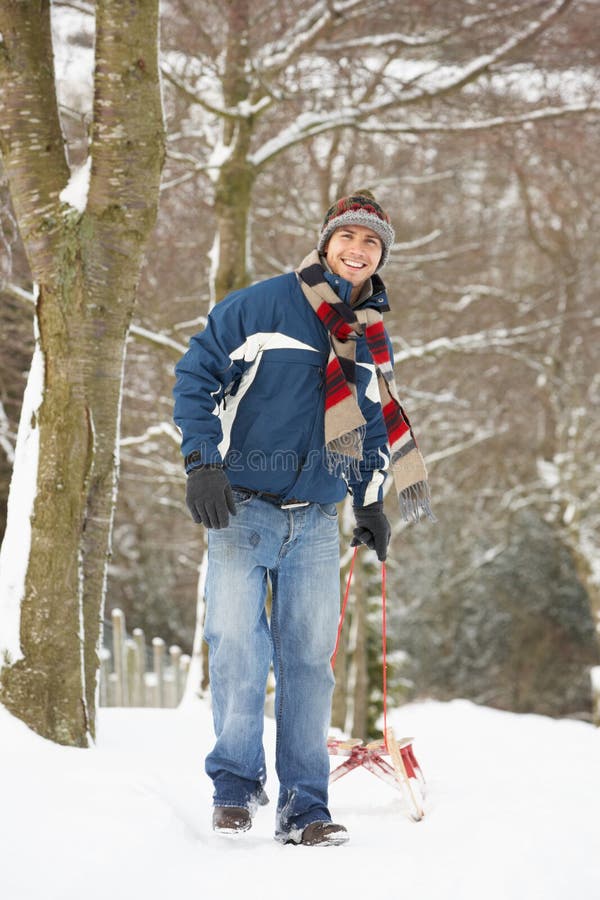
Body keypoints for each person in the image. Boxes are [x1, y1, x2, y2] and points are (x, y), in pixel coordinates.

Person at [173, 189, 432, 847]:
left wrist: (372, 499)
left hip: (317, 516)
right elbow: (195, 374)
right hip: (241, 507)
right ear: (325, 244)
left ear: (379, 258)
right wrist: (202, 460)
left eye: (371, 243)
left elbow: (372, 421)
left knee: (308, 664)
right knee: (235, 647)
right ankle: (234, 788)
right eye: (348, 237)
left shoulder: (371, 333)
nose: (357, 249)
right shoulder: (265, 305)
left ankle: (305, 809)